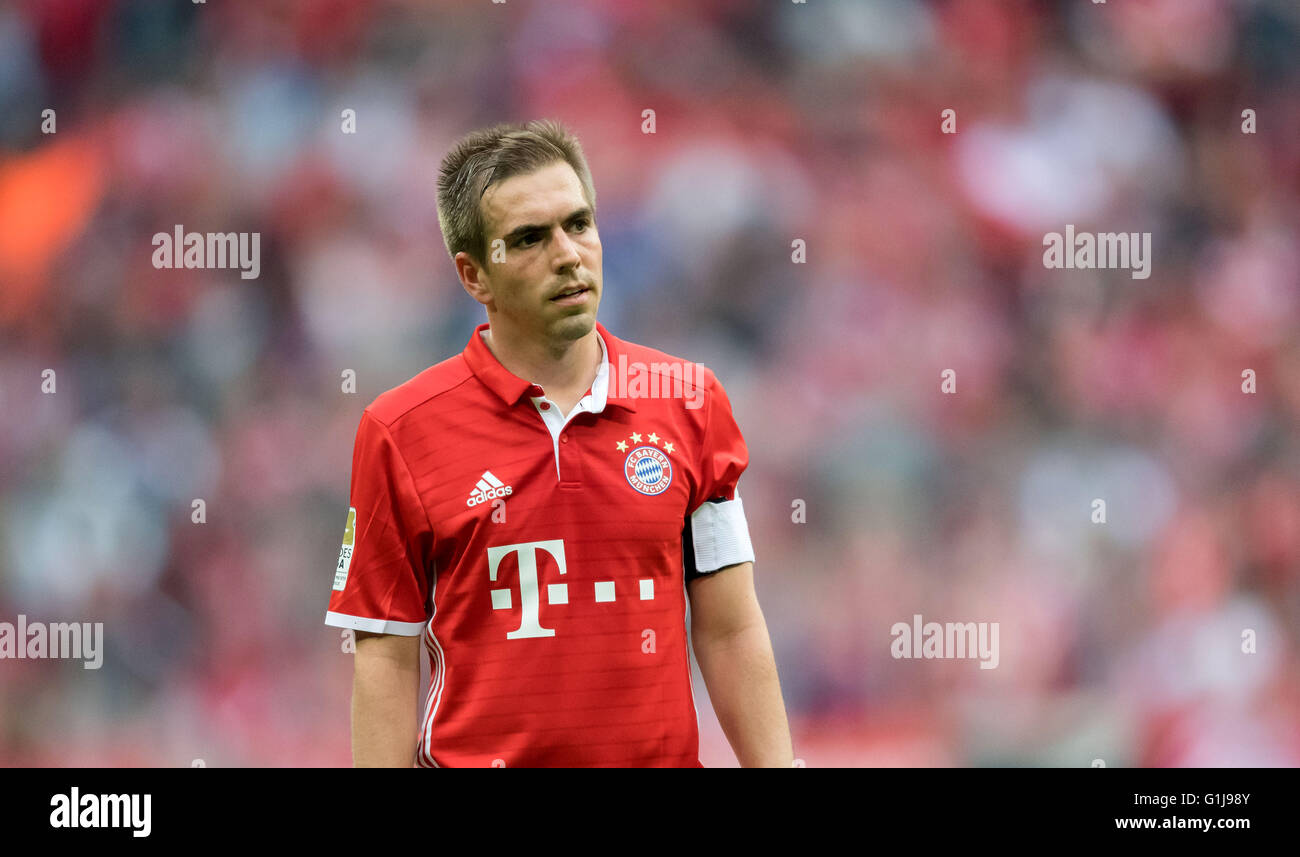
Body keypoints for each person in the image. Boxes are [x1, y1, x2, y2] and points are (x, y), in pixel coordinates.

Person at [325, 119, 792, 767]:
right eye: (529, 239)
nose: (569, 253)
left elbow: (730, 625)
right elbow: (385, 654)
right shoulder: (399, 429)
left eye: (579, 223)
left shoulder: (690, 401)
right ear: (473, 275)